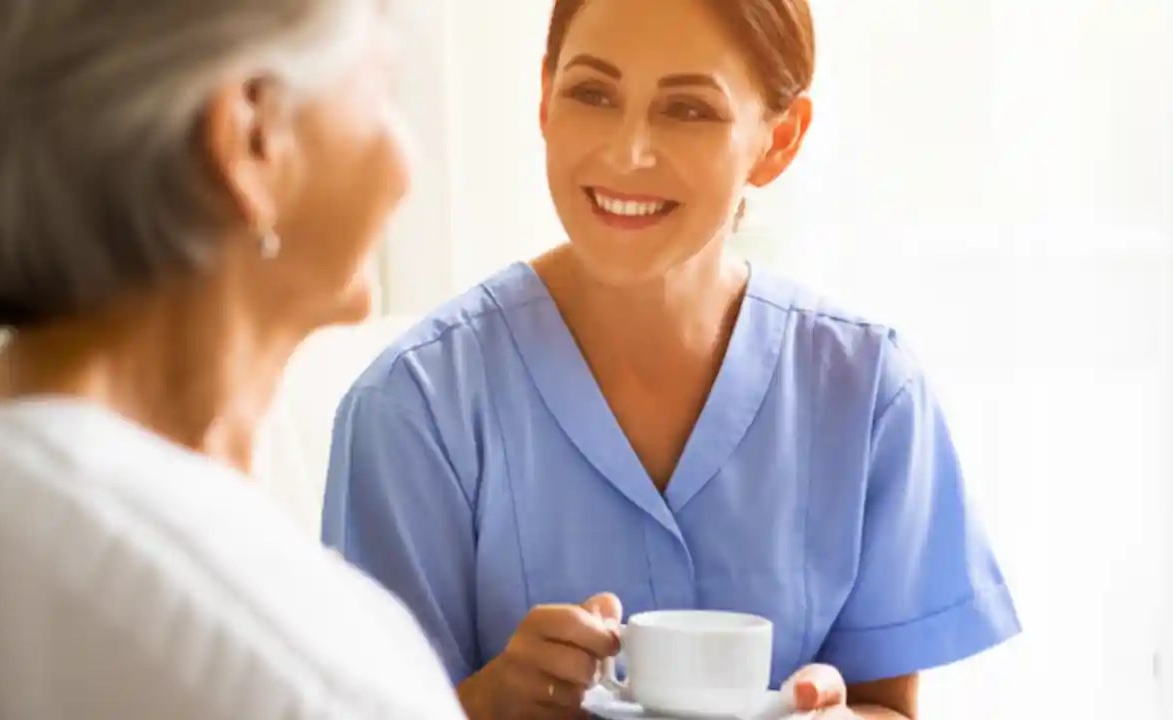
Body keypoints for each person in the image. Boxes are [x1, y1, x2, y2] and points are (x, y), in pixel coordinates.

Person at [323, 0, 1022, 717]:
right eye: (592, 94)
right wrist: (483, 706)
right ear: (544, 98)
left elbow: (888, 706)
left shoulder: (870, 391)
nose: (627, 153)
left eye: (688, 109)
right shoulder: (414, 405)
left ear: (780, 140)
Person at [0, 1, 465, 718]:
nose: (405, 168)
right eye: (382, 88)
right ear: (253, 138)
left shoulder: (5, 471)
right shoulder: (298, 670)